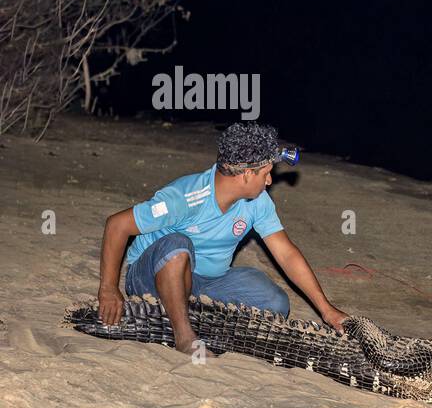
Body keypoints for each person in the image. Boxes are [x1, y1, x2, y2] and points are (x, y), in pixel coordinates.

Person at [95, 123, 349, 353]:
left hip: (206, 281)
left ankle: (183, 311)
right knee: (178, 243)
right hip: (151, 276)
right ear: (247, 174)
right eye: (266, 173)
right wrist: (108, 288)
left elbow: (286, 254)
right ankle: (184, 337)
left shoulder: (258, 202)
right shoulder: (185, 197)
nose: (270, 180)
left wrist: (327, 311)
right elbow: (117, 225)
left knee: (275, 302)